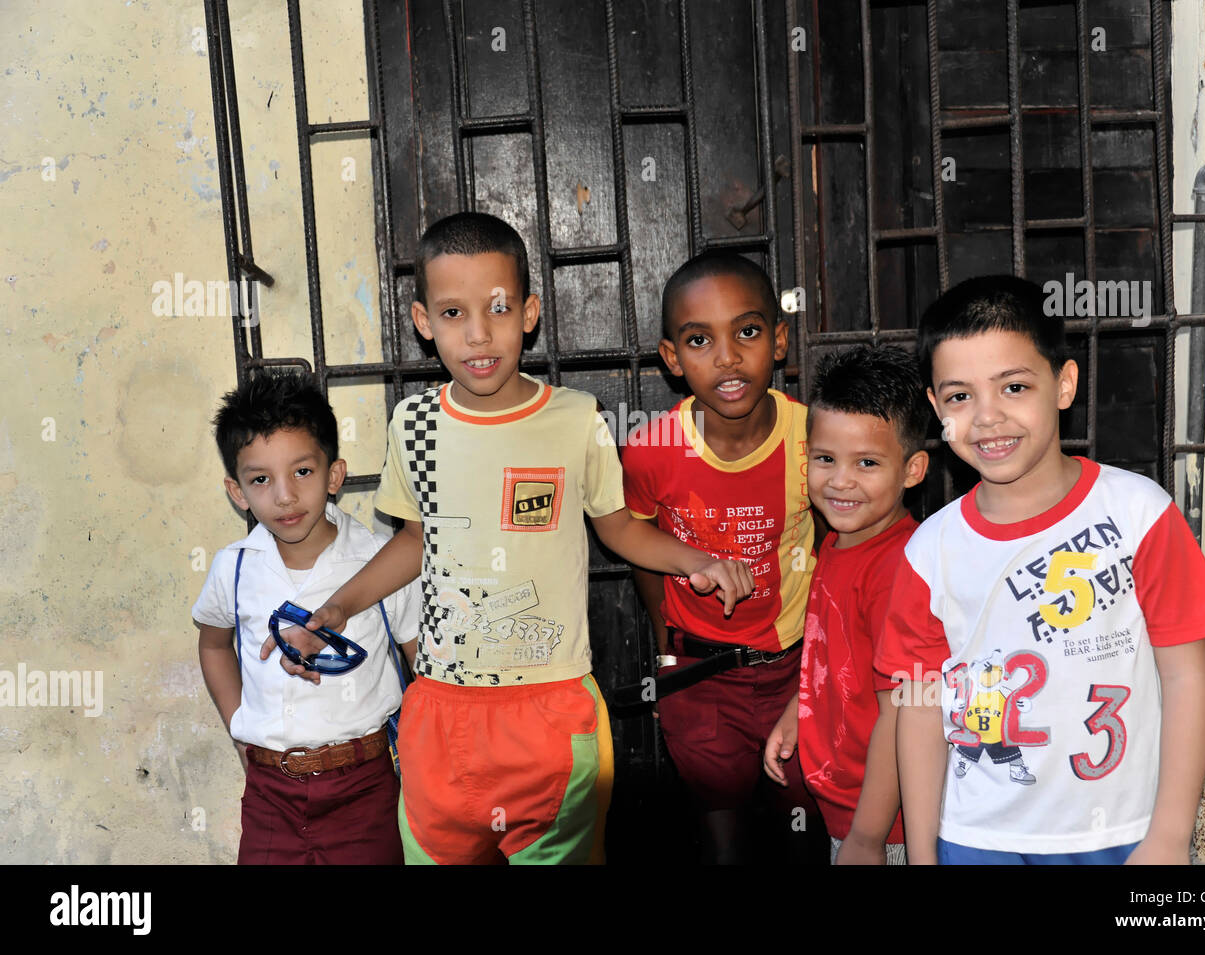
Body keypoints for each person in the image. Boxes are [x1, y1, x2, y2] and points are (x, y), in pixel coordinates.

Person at [296, 212, 753, 865]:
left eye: (498, 308)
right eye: (453, 313)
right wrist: (337, 608)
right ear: (423, 321)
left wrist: (698, 560)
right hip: (441, 712)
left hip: (552, 712)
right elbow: (415, 541)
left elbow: (620, 527)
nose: (478, 334)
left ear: (529, 313)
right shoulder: (413, 424)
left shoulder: (576, 418)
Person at [877, 275, 1205, 865]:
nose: (987, 417)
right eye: (960, 397)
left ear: (1064, 384)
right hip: (976, 841)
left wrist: (1169, 837)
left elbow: (1187, 678)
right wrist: (922, 854)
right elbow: (918, 706)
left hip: (1123, 836)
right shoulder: (928, 550)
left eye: (1013, 386)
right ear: (935, 409)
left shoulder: (1139, 514)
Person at [622, 251, 822, 864]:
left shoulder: (814, 437)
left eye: (748, 332)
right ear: (672, 358)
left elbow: (837, 544)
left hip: (796, 669)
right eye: (699, 340)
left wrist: (823, 657)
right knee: (721, 829)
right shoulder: (651, 449)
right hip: (698, 675)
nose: (728, 358)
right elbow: (639, 542)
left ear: (779, 340)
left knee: (806, 823)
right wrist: (666, 644)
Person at [193, 372, 420, 864]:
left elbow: (420, 661)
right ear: (237, 491)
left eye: (301, 471)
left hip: (367, 787)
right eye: (260, 479)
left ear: (334, 475)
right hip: (270, 793)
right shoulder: (234, 569)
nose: (284, 496)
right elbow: (213, 645)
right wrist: (239, 728)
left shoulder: (381, 562)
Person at [761, 344, 929, 865]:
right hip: (847, 807)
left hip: (888, 823)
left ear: (913, 469)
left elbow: (903, 715)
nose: (840, 481)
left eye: (867, 463)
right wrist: (799, 709)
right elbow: (835, 655)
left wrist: (868, 837)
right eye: (825, 459)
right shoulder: (838, 541)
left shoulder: (898, 569)